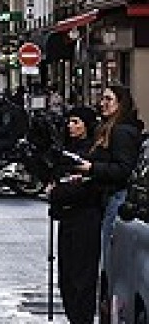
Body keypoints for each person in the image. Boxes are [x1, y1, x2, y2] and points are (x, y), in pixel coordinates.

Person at [74, 84, 140, 264]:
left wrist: (92, 168)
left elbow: (123, 169)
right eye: (102, 98)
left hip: (116, 198)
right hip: (109, 196)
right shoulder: (109, 128)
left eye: (109, 99)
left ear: (121, 104)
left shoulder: (120, 132)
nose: (103, 103)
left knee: (108, 255)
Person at [49, 105, 102, 324]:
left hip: (85, 218)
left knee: (82, 278)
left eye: (76, 122)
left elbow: (86, 187)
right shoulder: (66, 149)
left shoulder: (93, 153)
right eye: (70, 122)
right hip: (67, 217)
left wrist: (58, 192)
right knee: (67, 278)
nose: (71, 126)